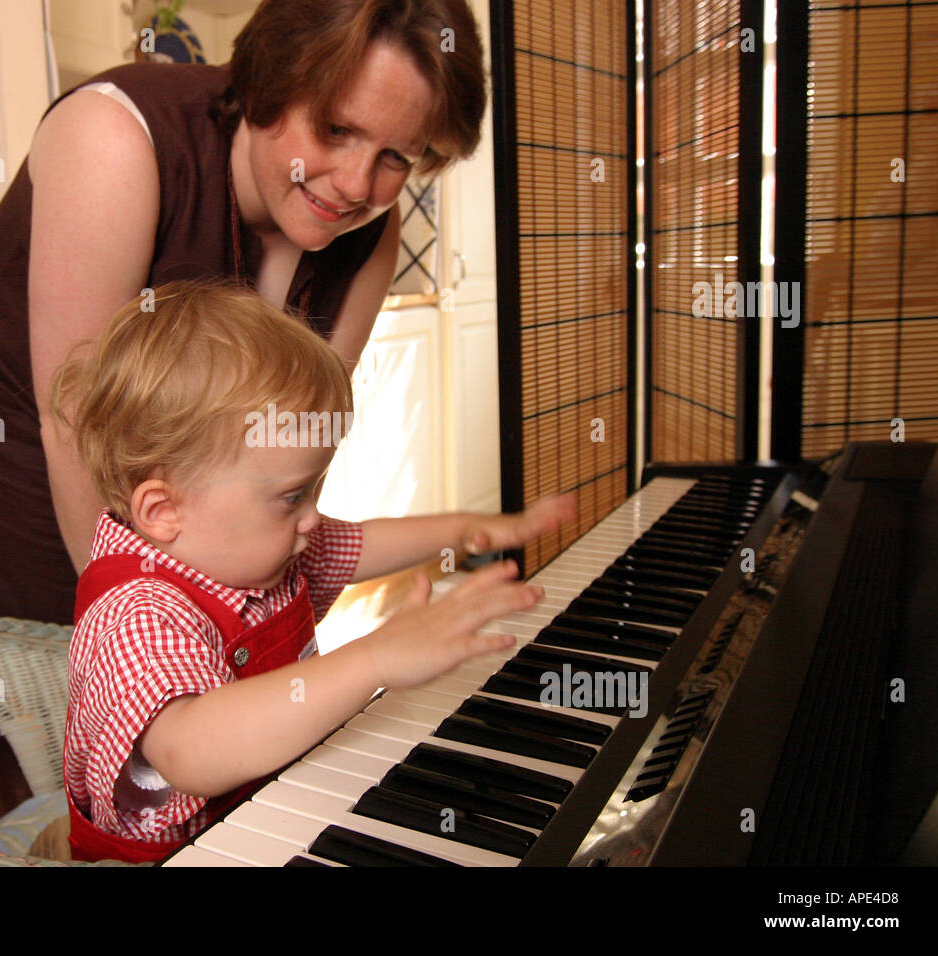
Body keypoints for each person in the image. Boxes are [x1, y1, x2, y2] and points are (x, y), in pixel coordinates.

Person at [0, 0, 487, 825]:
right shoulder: (115, 142)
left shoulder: (366, 225)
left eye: (397, 157)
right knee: (74, 672)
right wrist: (136, 622)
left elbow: (300, 437)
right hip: (29, 409)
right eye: (335, 131)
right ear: (271, 81)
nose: (357, 186)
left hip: (141, 438)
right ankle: (53, 825)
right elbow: (75, 419)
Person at [51, 281, 573, 862]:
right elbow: (189, 749)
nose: (312, 519)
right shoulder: (137, 614)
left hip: (274, 822)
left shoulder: (246, 551)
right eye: (293, 496)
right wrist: (375, 657)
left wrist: (466, 530)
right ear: (163, 510)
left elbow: (357, 542)